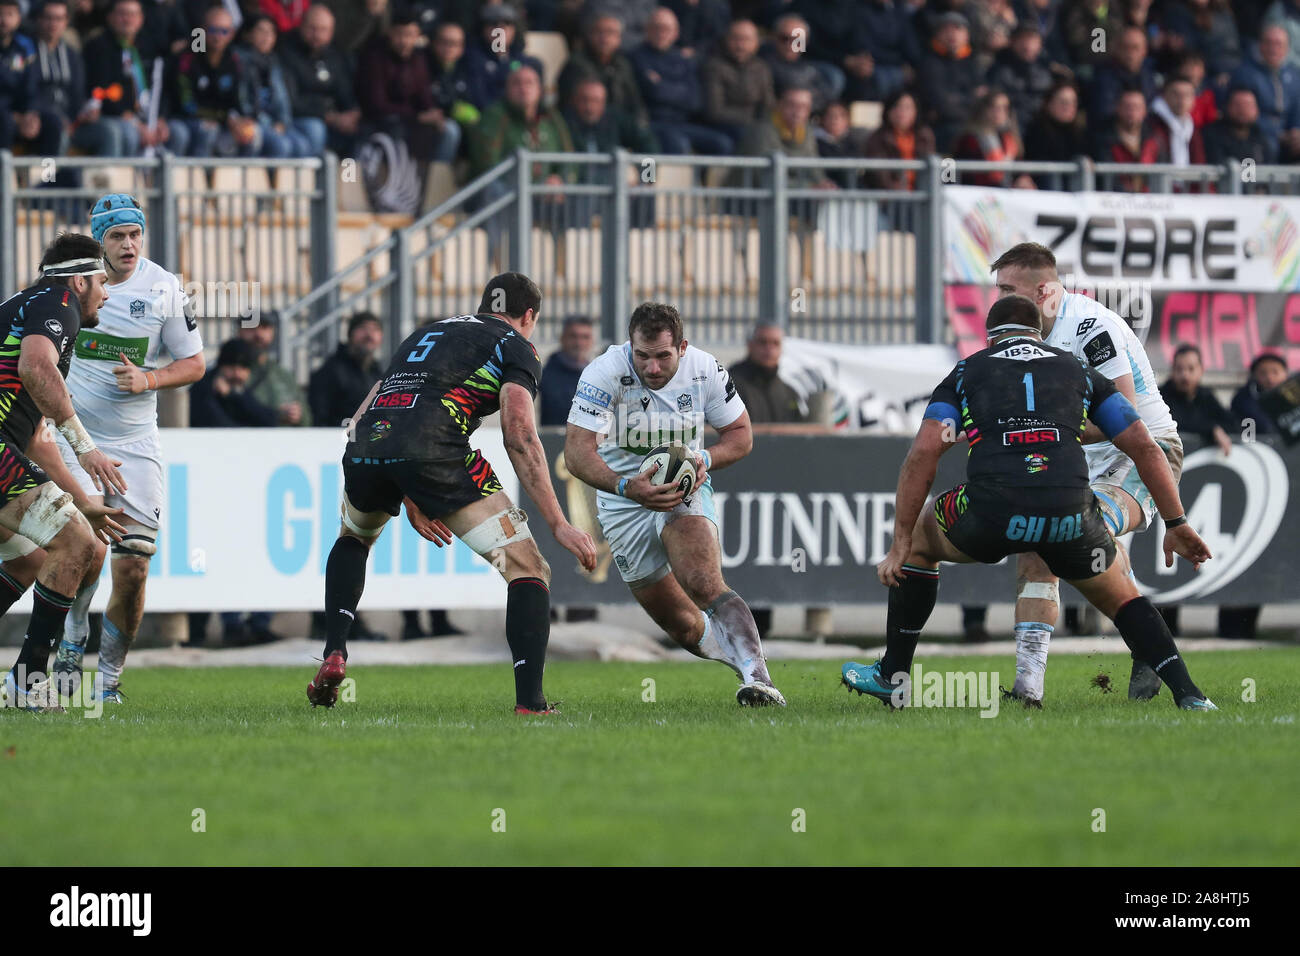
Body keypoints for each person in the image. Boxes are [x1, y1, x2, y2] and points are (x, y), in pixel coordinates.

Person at [841, 295, 1218, 712]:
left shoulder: (968, 370)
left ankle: (892, 675)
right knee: (1124, 598)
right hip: (1070, 515)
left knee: (922, 538)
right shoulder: (1078, 369)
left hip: (990, 513)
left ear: (989, 337)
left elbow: (924, 453)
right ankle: (1190, 694)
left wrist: (900, 542)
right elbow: (1146, 447)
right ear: (1040, 332)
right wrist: (1176, 522)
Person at [306, 273, 597, 713]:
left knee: (354, 539)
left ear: (484, 305)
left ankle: (334, 652)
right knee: (527, 569)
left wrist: (407, 490)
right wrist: (559, 522)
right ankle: (531, 703)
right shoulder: (516, 345)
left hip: (366, 444)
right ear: (530, 315)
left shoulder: (428, 332)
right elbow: (519, 433)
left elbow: (370, 407)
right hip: (435, 451)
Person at [988, 242, 1183, 706]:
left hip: (1142, 454)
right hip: (1078, 460)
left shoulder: (1091, 328)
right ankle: (1028, 688)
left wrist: (1046, 433)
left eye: (1006, 289)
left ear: (1042, 292)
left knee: (1078, 531)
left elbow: (1128, 421)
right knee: (1038, 545)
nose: (998, 301)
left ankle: (1148, 645)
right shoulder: (1021, 338)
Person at [563, 301, 785, 706]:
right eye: (642, 356)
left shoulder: (705, 369)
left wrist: (704, 459)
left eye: (663, 356)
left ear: (681, 347)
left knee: (703, 582)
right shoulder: (604, 372)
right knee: (682, 627)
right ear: (630, 346)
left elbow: (740, 435)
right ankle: (741, 662)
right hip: (624, 501)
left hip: (684, 487)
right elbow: (577, 454)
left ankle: (760, 679)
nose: (651, 368)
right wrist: (627, 486)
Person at [39, 195, 205, 696]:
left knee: (132, 565)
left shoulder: (164, 288)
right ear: (99, 241)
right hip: (76, 437)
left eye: (135, 234)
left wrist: (149, 380)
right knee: (84, 546)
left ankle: (108, 681)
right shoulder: (77, 284)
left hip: (135, 441)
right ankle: (71, 642)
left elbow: (194, 364)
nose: (129, 244)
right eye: (116, 236)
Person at [0, 234, 126, 712]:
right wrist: (88, 448)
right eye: (102, 281)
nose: (106, 293)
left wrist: (84, 503)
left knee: (28, 560)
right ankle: (28, 682)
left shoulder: (27, 303)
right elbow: (36, 367)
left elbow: (35, 440)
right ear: (79, 279)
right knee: (76, 545)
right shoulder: (60, 304)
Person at [628, 5, 729, 156]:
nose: (661, 33)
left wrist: (661, 86)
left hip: (682, 123)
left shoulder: (684, 60)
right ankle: (648, 179)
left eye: (666, 29)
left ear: (676, 33)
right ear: (647, 30)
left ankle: (701, 179)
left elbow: (695, 101)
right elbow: (650, 92)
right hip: (650, 123)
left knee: (723, 144)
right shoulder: (635, 57)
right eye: (656, 27)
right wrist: (677, 89)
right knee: (671, 145)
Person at [276, 3, 361, 156]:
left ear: (331, 32)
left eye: (323, 30)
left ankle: (348, 178)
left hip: (333, 118)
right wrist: (328, 116)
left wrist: (352, 112)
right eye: (312, 28)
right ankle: (316, 179)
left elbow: (344, 91)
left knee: (358, 131)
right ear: (301, 26)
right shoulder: (286, 53)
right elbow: (291, 101)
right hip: (299, 119)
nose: (317, 35)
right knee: (315, 129)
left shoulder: (334, 55)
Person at [698, 18, 773, 153]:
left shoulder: (762, 68)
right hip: (724, 127)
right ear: (726, 40)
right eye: (736, 39)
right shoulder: (714, 67)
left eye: (746, 40)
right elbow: (714, 111)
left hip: (755, 125)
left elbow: (768, 103)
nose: (740, 45)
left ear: (756, 43)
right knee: (752, 136)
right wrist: (752, 117)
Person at [558, 12, 647, 126]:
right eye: (599, 32)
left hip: (621, 124)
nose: (604, 38)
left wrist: (640, 124)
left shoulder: (623, 64)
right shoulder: (576, 64)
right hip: (588, 125)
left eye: (610, 33)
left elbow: (635, 101)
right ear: (590, 35)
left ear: (619, 39)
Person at [1227, 24, 1300, 161]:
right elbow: (1244, 113)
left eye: (1278, 44)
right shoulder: (1245, 74)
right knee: (1268, 146)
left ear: (1287, 48)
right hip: (1258, 136)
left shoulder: (1294, 75)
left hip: (1287, 138)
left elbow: (1297, 110)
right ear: (1260, 45)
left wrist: (1296, 131)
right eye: (1268, 43)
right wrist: (1278, 133)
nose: (1273, 49)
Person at [0, 0, 61, 155]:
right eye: (0, 14)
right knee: (5, 122)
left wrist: (30, 113)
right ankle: (4, 177)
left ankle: (48, 177)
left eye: (9, 14)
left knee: (52, 123)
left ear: (19, 18)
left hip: (20, 112)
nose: (4, 20)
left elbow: (31, 84)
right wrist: (15, 117)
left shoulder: (25, 46)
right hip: (5, 114)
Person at [1160, 343, 1235, 457]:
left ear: (1201, 370)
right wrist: (1211, 430)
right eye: (1179, 369)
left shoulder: (1205, 395)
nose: (1185, 375)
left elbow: (1231, 423)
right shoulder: (1161, 396)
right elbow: (1176, 423)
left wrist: (1216, 430)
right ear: (1172, 370)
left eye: (1191, 369)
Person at [952, 90, 1036, 189]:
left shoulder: (1010, 139)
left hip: (1006, 193)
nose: (1000, 112)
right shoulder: (970, 139)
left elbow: (1018, 167)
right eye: (995, 108)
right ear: (984, 110)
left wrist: (1022, 179)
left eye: (1005, 108)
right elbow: (968, 174)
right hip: (978, 193)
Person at [728, 321, 805, 424]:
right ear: (750, 345)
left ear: (782, 349)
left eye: (775, 343)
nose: (769, 349)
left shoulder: (789, 393)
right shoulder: (729, 385)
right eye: (763, 342)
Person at [862, 90, 935, 192]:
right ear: (888, 111)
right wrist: (894, 190)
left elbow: (931, 166)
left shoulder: (925, 136)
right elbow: (878, 173)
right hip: (890, 197)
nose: (902, 112)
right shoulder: (877, 138)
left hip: (922, 194)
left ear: (916, 111)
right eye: (897, 106)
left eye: (908, 108)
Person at [539, 314, 595, 426]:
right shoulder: (545, 375)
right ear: (562, 338)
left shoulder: (596, 375)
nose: (579, 343)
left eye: (585, 337)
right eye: (573, 336)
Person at [1203, 85, 1277, 166]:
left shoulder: (1262, 138)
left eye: (1248, 105)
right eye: (1237, 105)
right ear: (1227, 107)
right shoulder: (1211, 136)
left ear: (1257, 110)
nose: (1242, 110)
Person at [1231, 351, 1288, 436]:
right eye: (1263, 373)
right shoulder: (1243, 399)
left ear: (1285, 373)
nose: (1270, 378)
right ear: (1254, 375)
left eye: (1275, 372)